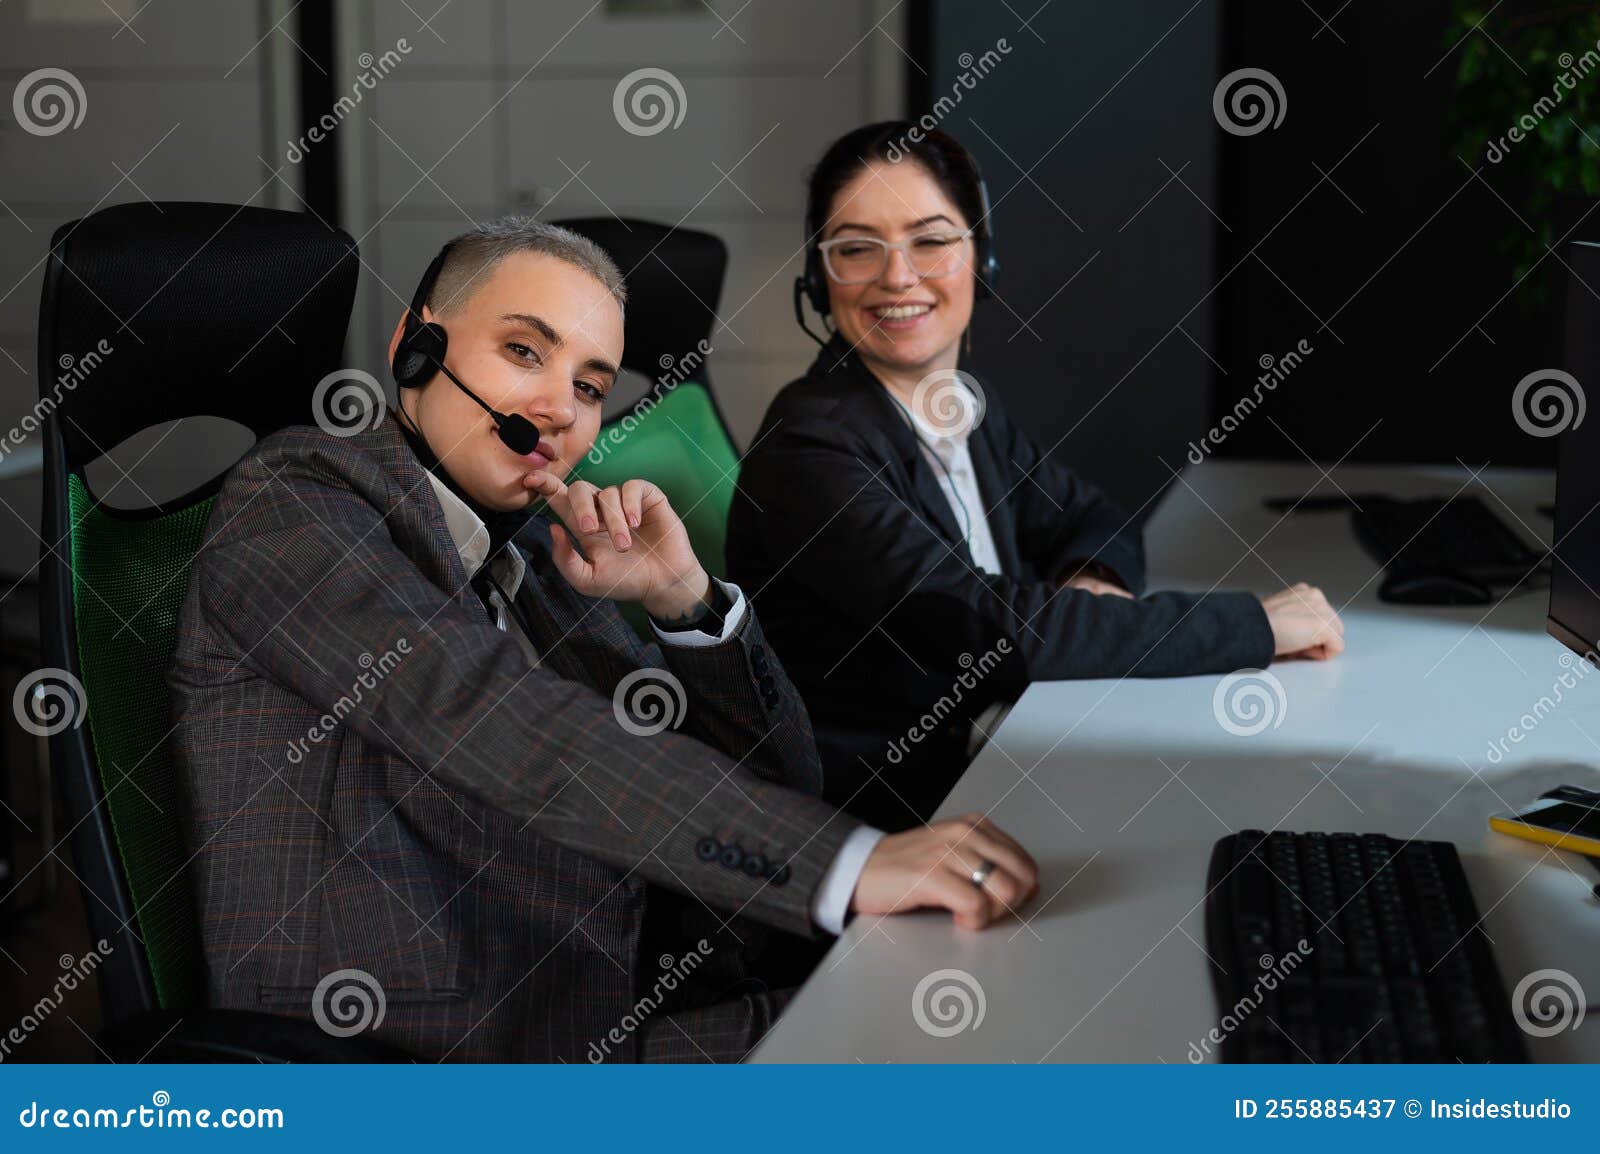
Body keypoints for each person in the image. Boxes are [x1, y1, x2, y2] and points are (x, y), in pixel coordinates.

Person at [168, 217, 1038, 1063]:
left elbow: (778, 781)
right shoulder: (293, 503)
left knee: (1001, 997)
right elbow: (496, 722)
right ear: (415, 346)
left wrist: (685, 605)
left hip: (629, 991)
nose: (557, 409)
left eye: (590, 386)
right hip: (464, 1055)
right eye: (522, 351)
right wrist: (846, 868)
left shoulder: (532, 560)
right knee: (963, 1046)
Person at [726, 123, 1345, 830]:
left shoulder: (962, 406)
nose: (897, 276)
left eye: (930, 240)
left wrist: (1087, 588)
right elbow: (982, 626)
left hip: (1008, 757)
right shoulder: (809, 447)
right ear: (819, 277)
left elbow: (1094, 518)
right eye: (857, 249)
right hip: (893, 819)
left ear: (980, 258)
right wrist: (1250, 626)